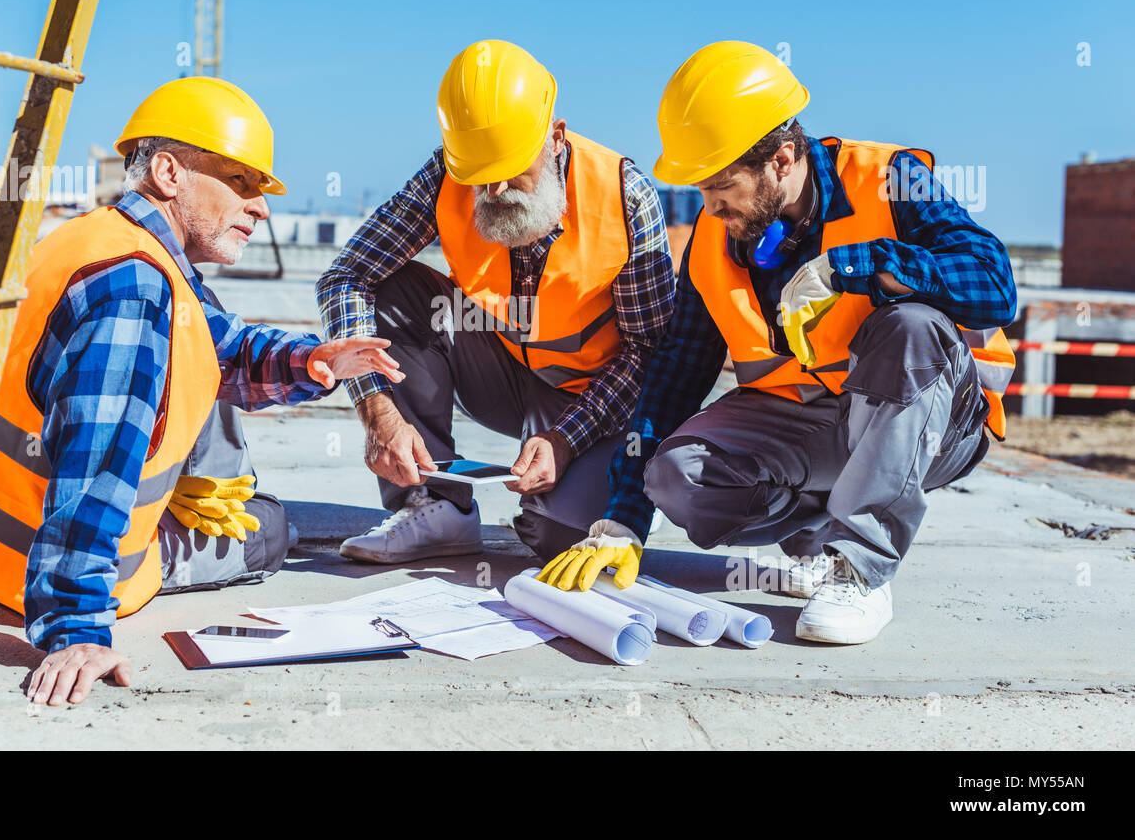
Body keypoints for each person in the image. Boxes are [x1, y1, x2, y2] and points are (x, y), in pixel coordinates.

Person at [539, 41, 1017, 645]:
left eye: (721, 187)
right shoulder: (715, 243)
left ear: (783, 159)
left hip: (937, 423)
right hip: (817, 426)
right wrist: (625, 516)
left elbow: (995, 284)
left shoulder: (890, 181)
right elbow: (675, 374)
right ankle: (819, 545)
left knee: (910, 326)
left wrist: (865, 265)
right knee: (677, 475)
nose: (709, 208)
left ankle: (861, 569)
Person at [0, 77, 401, 704]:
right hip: (39, 572)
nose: (262, 207)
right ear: (169, 172)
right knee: (267, 527)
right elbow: (96, 461)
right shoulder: (133, 289)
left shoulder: (96, 241)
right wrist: (76, 626)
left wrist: (313, 361)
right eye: (242, 183)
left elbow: (222, 347)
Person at [316, 39, 675, 564]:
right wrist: (377, 409)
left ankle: (597, 481)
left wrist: (565, 439)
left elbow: (650, 352)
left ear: (555, 136)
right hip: (498, 372)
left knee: (561, 541)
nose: (498, 186)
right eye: (479, 174)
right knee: (392, 289)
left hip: (589, 397)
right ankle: (434, 506)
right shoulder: (447, 175)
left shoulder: (623, 194)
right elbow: (345, 277)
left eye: (511, 166)